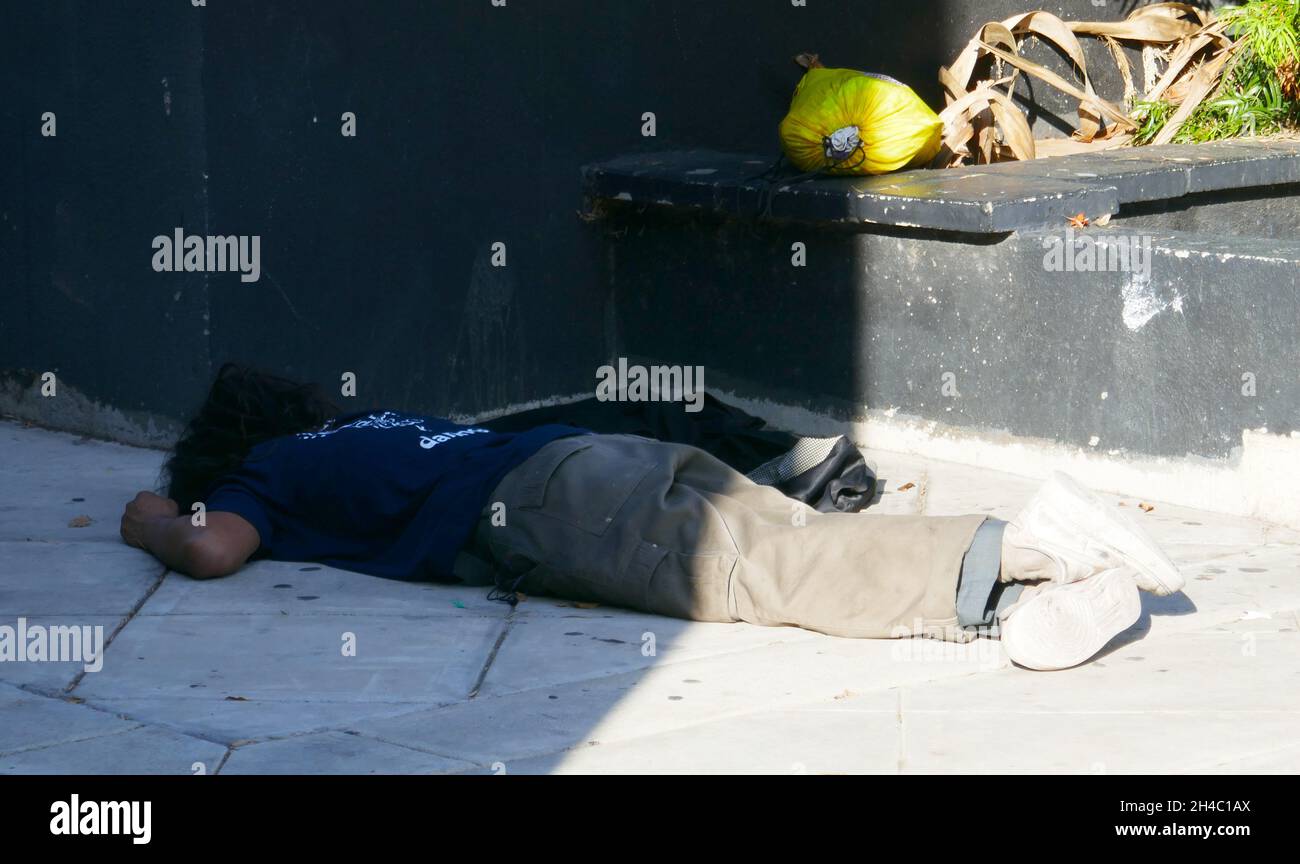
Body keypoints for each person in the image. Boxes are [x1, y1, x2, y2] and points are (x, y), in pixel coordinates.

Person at [120, 363, 1184, 672]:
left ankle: (1032, 546)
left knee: (765, 576)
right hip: (593, 457)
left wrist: (150, 518)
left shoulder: (262, 474)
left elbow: (210, 552)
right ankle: (1024, 598)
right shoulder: (373, 423)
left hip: (549, 508)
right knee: (796, 546)